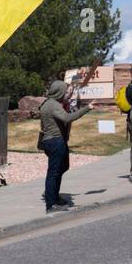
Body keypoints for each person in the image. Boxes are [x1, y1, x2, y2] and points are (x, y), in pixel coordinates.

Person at [38, 80, 89, 212]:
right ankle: (51, 204)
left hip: (53, 140)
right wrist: (88, 108)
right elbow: (67, 118)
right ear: (59, 91)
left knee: (63, 167)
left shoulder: (49, 103)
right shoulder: (53, 105)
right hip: (55, 141)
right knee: (54, 172)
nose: (67, 93)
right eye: (65, 91)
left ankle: (54, 197)